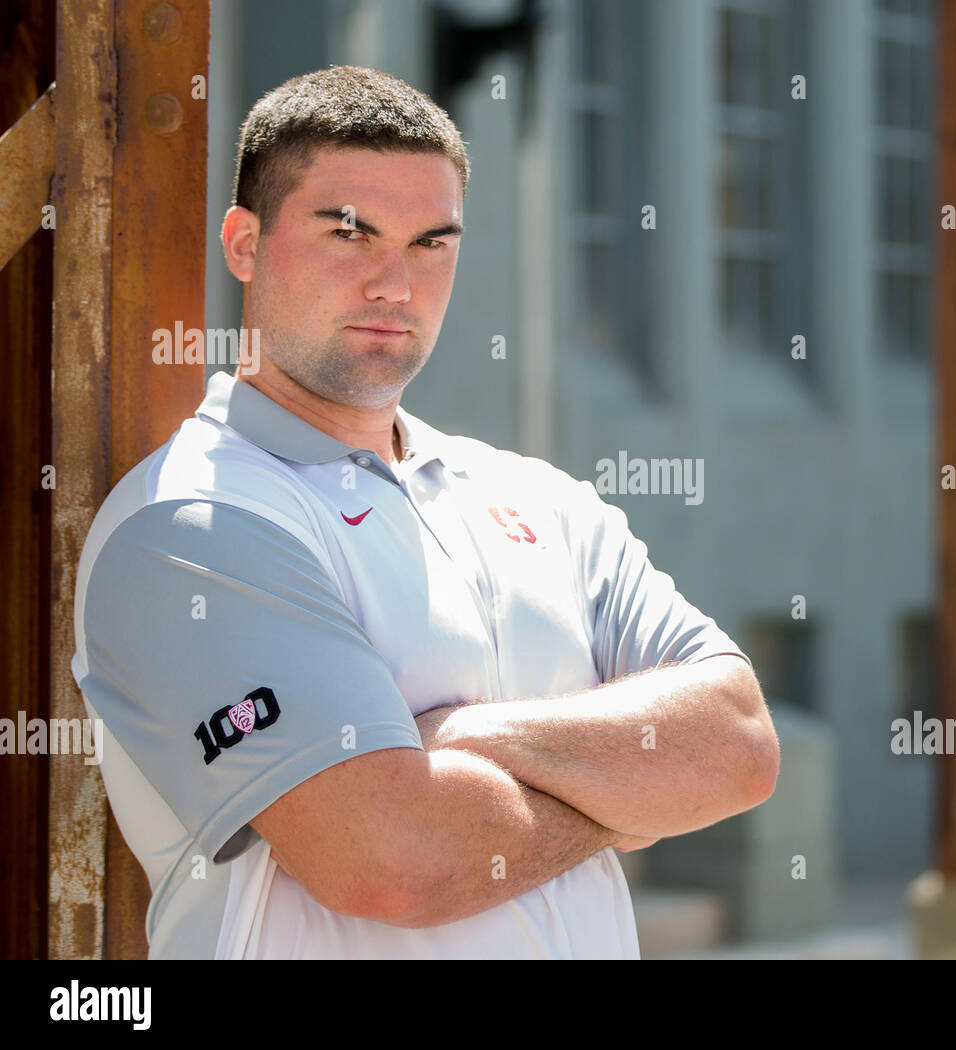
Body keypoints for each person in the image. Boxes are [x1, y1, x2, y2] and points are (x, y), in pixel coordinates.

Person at [70, 66, 779, 959]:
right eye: (350, 233)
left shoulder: (543, 503)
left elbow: (741, 742)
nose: (394, 285)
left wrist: (462, 740)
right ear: (245, 243)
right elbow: (394, 862)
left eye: (431, 242)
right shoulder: (189, 527)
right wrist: (624, 797)